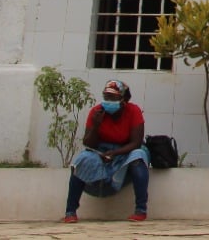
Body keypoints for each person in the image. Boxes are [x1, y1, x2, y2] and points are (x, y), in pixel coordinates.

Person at [63, 79, 151, 223]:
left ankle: (141, 210)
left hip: (125, 151)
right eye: (106, 97)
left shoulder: (133, 110)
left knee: (139, 156)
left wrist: (115, 153)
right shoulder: (96, 112)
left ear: (123, 99)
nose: (108, 101)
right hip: (101, 152)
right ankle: (70, 211)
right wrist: (96, 125)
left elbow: (136, 142)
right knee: (82, 160)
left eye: (113, 97)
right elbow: (88, 142)